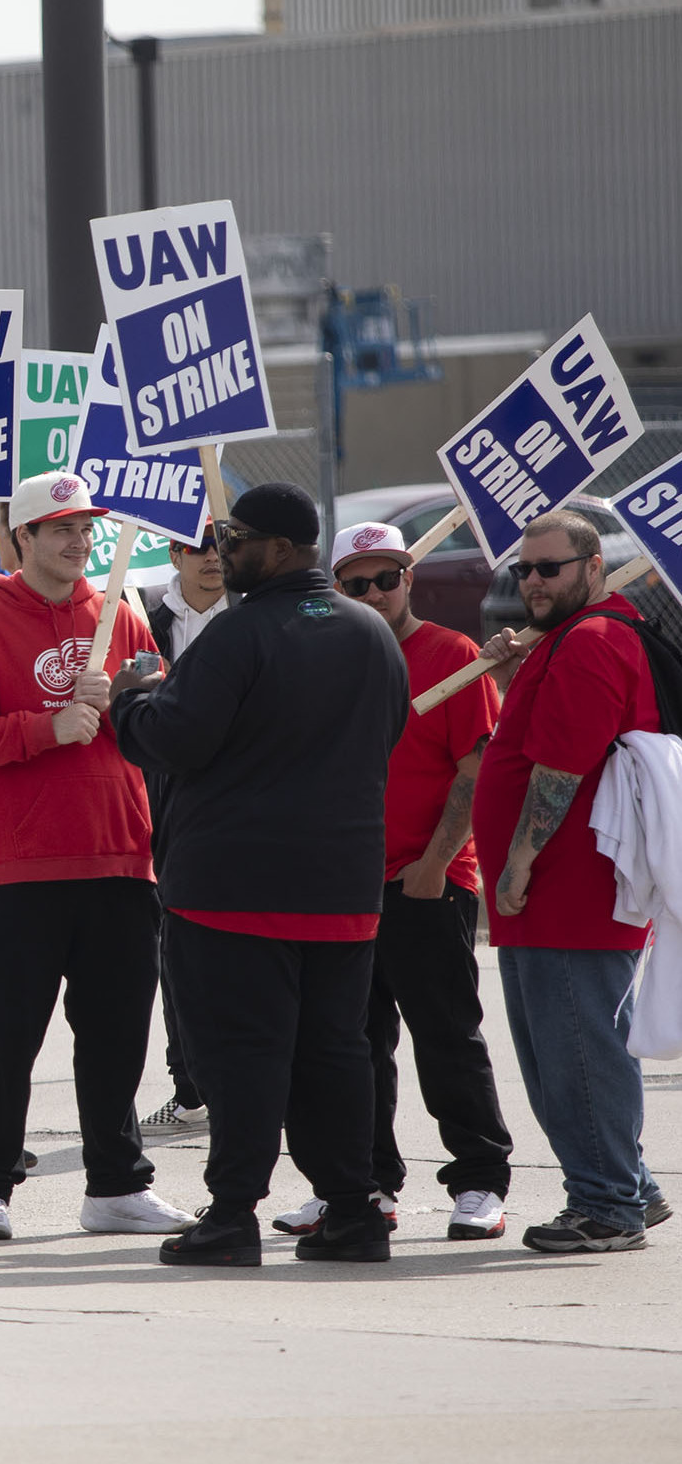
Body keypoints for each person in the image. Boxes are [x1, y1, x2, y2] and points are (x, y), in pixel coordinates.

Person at [112, 483, 409, 1267]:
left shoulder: (239, 634)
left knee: (243, 1055)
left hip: (233, 890)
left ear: (280, 548)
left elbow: (174, 738)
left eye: (233, 536)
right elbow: (386, 735)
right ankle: (351, 1209)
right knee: (334, 1053)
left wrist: (129, 700)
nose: (220, 549)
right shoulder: (370, 633)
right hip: (343, 886)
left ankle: (232, 1212)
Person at [0, 471, 193, 1243]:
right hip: (21, 863)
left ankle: (114, 1183)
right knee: (8, 1031)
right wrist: (44, 728)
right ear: (22, 538)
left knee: (116, 1032)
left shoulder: (123, 615)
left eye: (85, 529)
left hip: (119, 856)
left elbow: (162, 726)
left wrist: (129, 704)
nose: (78, 541)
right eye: (60, 529)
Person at [261, 523, 516, 1241]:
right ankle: (361, 1184)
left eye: (385, 577)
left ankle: (477, 1180)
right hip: (340, 886)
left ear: (409, 576)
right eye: (354, 583)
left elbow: (474, 771)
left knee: (445, 1036)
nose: (372, 593)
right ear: (333, 587)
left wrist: (434, 863)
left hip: (423, 880)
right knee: (348, 1044)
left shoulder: (451, 656)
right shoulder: (325, 658)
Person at [473, 510, 668, 1254]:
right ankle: (629, 1187)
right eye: (522, 569)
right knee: (559, 1054)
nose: (531, 581)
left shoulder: (590, 640)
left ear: (592, 567)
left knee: (577, 1057)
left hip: (566, 892)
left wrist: (519, 861)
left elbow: (560, 769)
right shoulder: (570, 640)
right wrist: (510, 678)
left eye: (548, 568)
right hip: (548, 898)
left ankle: (606, 1205)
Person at [139, 521, 227, 1138]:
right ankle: (190, 1086)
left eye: (224, 545)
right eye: (199, 546)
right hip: (163, 794)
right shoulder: (145, 621)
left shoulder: (251, 616)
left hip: (238, 795)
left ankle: (240, 1081)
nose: (214, 559)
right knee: (174, 942)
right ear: (173, 551)